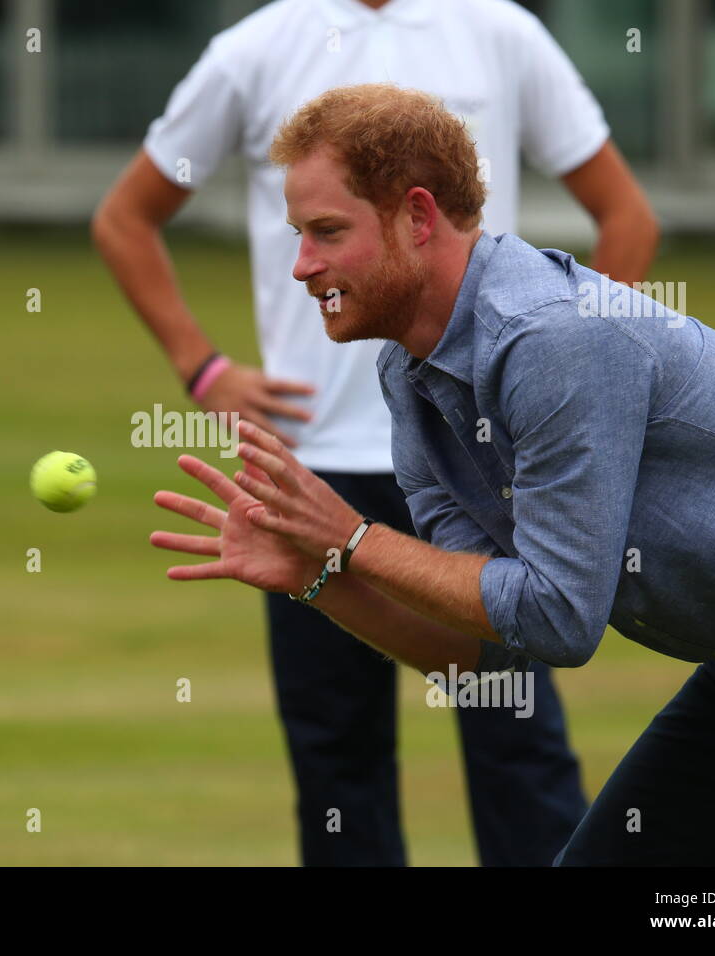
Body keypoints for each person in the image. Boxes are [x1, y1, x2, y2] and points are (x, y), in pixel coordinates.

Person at [151, 83, 715, 866]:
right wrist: (320, 574)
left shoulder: (551, 339)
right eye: (298, 235)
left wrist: (353, 537)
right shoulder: (409, 376)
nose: (303, 266)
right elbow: (489, 655)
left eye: (326, 232)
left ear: (416, 216)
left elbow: (558, 618)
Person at [94, 0, 659, 865]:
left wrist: (562, 370)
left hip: (476, 457)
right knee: (336, 764)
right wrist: (205, 371)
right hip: (312, 466)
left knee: (518, 747)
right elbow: (125, 215)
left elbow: (627, 215)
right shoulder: (253, 47)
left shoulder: (500, 29)